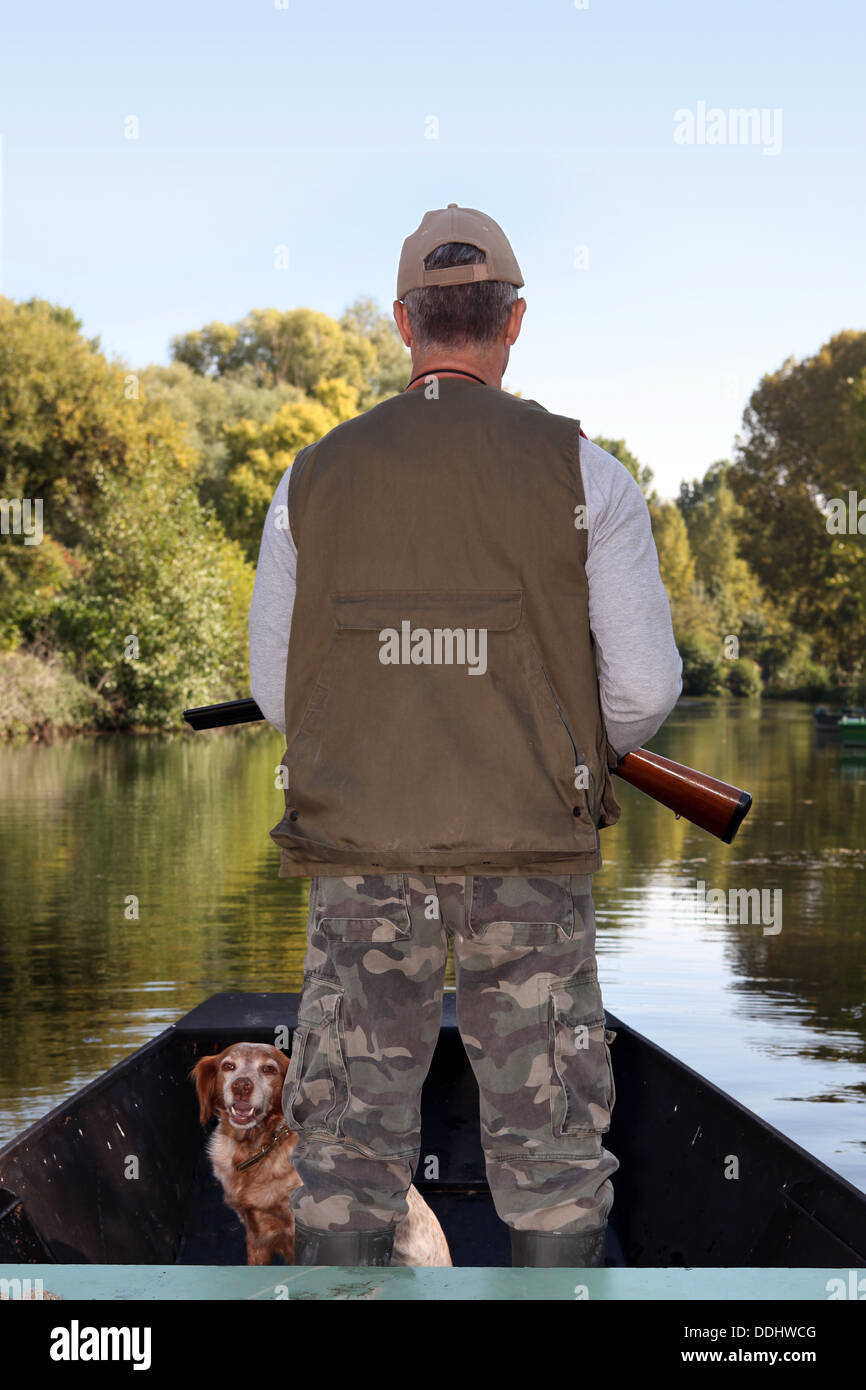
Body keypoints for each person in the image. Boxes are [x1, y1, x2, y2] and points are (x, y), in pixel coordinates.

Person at [248, 203, 682, 1268]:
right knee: (553, 1153)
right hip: (529, 855)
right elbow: (641, 691)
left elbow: (276, 694)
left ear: (404, 322)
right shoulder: (589, 475)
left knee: (345, 1152)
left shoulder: (311, 477)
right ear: (513, 320)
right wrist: (562, 750)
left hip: (360, 855)